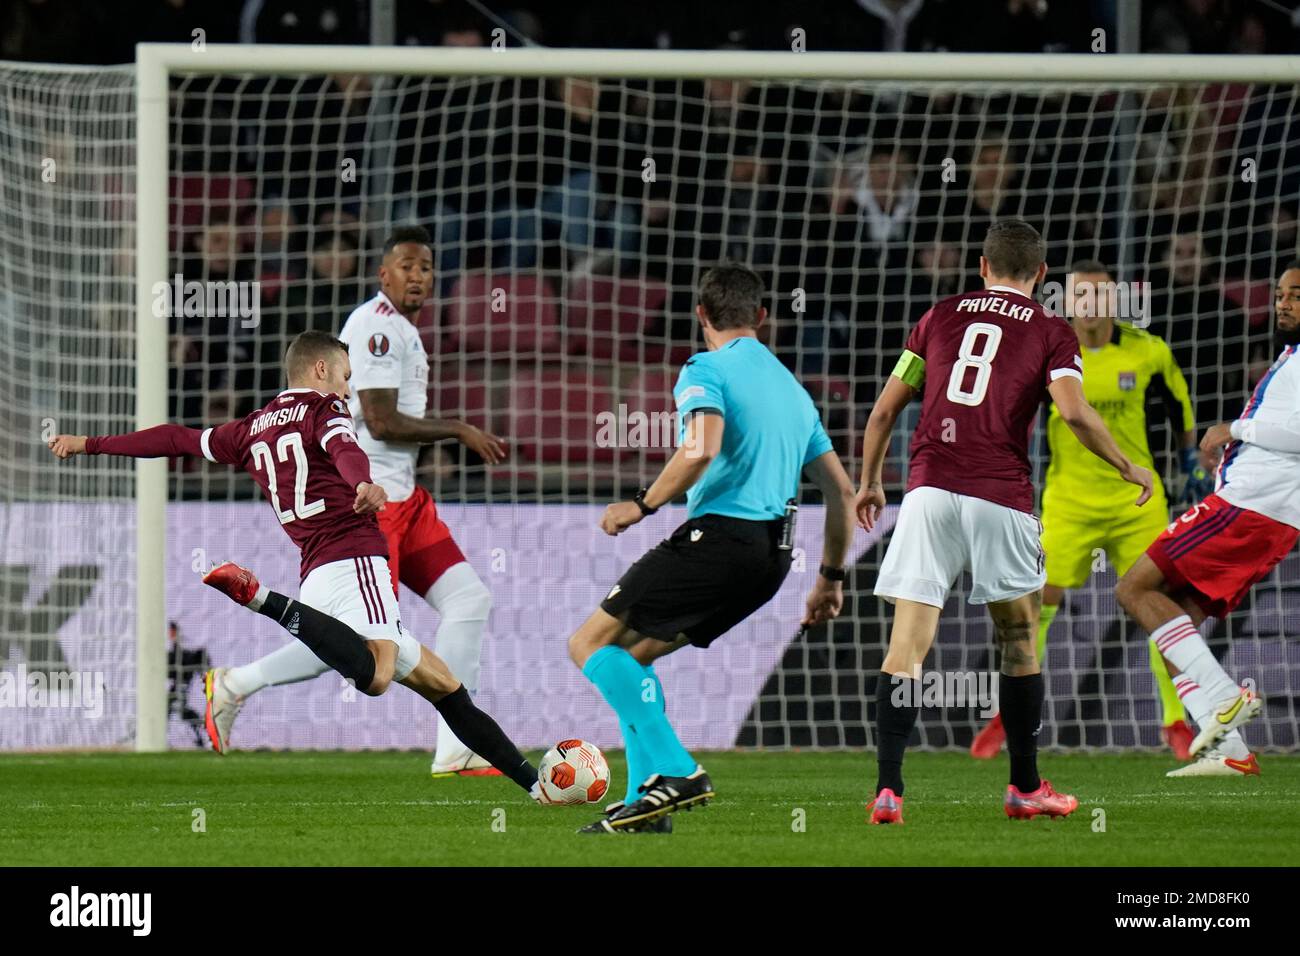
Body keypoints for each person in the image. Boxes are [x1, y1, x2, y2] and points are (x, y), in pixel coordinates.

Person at [47, 331, 542, 799]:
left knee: (447, 688)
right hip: (356, 559)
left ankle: (538, 785)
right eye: (346, 375)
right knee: (376, 676)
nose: (348, 388)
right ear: (322, 369)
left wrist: (89, 444)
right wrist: (363, 482)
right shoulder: (325, 406)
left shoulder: (251, 428)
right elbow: (344, 448)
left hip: (318, 575)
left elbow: (176, 439)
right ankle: (262, 599)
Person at [856, 220, 1152, 824]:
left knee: (907, 646)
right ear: (1041, 275)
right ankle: (1023, 787)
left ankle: (889, 790)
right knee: (1018, 640)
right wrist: (1127, 464)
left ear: (982, 266)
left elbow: (886, 408)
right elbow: (1072, 411)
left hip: (930, 490)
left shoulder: (938, 316)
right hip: (1001, 495)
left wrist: (868, 481)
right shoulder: (1051, 330)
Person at [203, 226, 508, 779]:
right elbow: (384, 421)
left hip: (406, 497)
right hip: (371, 503)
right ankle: (236, 682)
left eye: (426, 267)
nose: (418, 276)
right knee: (364, 644)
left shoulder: (404, 331)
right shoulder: (374, 328)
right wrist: (459, 429)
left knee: (468, 599)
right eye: (407, 265)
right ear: (383, 274)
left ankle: (456, 749)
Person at [567, 263, 857, 834]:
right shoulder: (795, 392)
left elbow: (701, 447)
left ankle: (677, 770)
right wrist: (829, 578)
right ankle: (644, 806)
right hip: (773, 558)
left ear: (701, 315)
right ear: (762, 318)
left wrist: (641, 504)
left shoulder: (705, 367)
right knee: (632, 656)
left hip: (720, 537)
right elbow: (842, 492)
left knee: (588, 643)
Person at [970, 261, 1209, 761]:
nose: (1092, 303)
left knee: (1157, 603)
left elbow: (1182, 416)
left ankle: (1174, 721)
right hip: (1069, 502)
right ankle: (1008, 715)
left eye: (1101, 294)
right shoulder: (1046, 349)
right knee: (1036, 603)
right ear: (1068, 300)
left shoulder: (1149, 352)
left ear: (1114, 300)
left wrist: (1193, 470)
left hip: (1136, 502)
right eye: (1082, 294)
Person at [1116, 263, 1300, 777]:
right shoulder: (1292, 355)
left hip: (1251, 507)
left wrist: (1233, 429)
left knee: (1133, 589)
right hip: (1262, 509)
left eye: (1296, 295)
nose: (1284, 303)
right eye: (1281, 294)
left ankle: (1222, 697)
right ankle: (1231, 749)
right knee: (1176, 616)